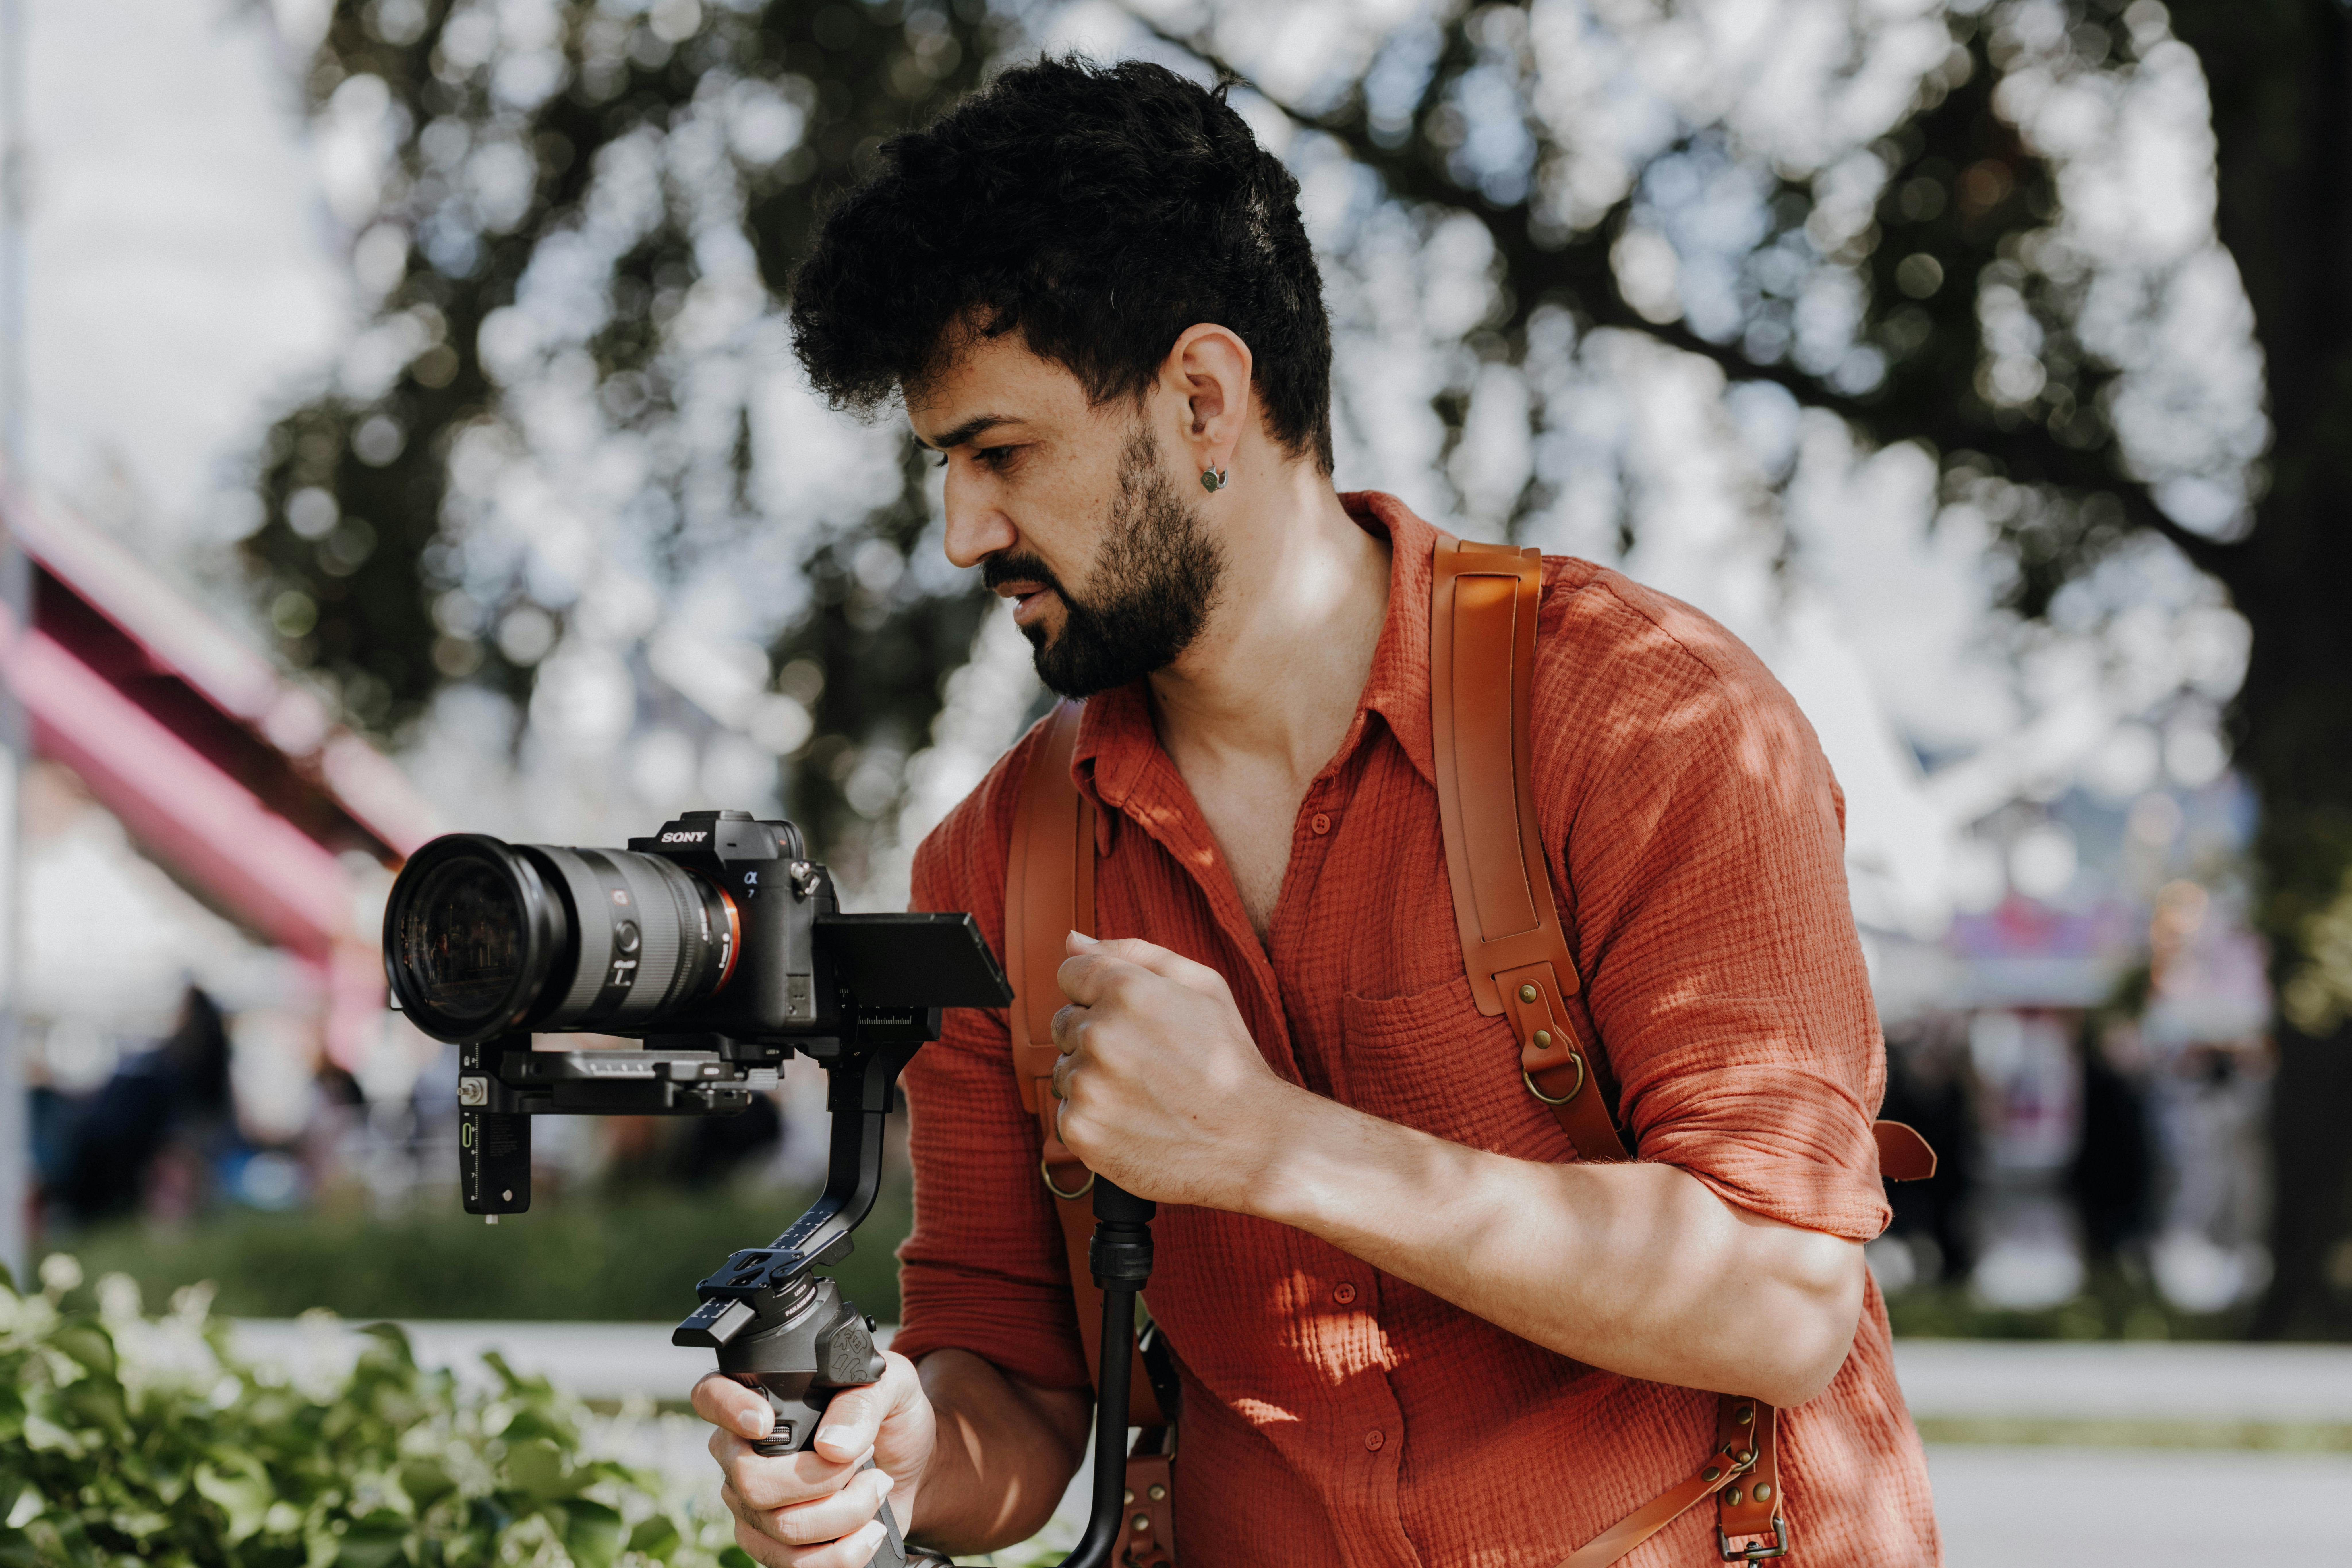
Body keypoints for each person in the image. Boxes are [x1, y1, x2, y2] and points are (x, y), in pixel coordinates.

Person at [692, 55, 1938, 1567]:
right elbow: (1017, 1393)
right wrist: (889, 1451)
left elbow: (1782, 1301)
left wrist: (1272, 1144)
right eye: (943, 467)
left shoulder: (1640, 717)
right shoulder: (998, 860)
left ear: (1205, 400)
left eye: (1002, 453)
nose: (964, 533)